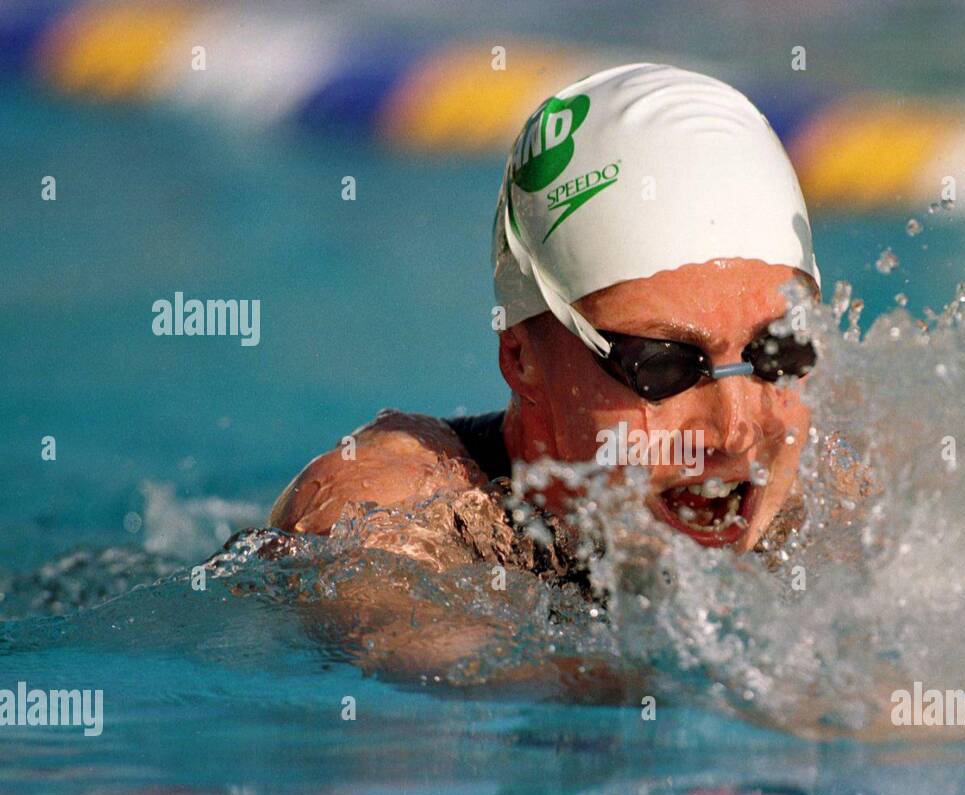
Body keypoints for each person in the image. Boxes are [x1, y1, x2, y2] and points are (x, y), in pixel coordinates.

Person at [269, 63, 821, 563]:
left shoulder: (836, 505)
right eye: (664, 367)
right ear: (521, 357)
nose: (736, 432)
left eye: (777, 355)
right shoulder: (395, 519)